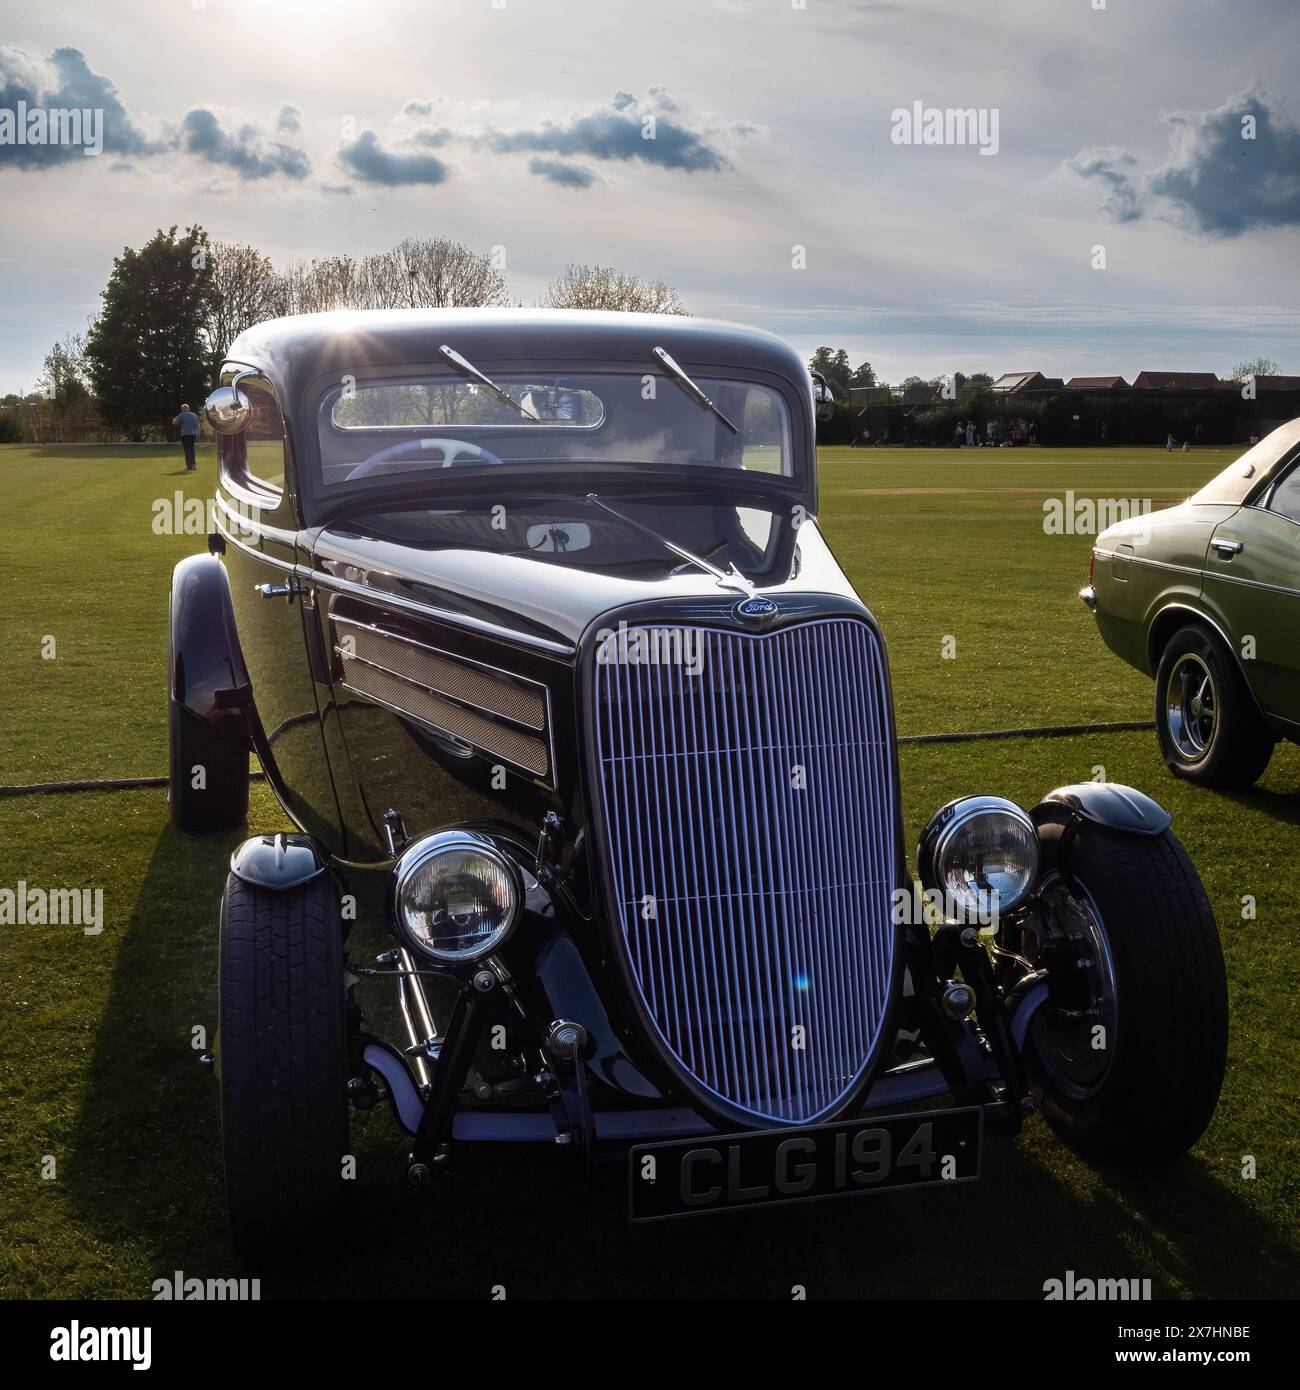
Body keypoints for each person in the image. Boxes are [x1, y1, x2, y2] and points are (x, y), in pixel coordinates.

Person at [173, 403, 200, 471]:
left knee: (187, 450)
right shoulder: (194, 415)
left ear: (183, 409)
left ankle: (189, 466)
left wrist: (175, 418)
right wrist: (198, 434)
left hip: (185, 435)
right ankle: (194, 464)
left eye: (181, 409)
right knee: (192, 449)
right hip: (193, 435)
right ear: (188, 408)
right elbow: (198, 426)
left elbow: (174, 423)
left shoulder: (181, 415)